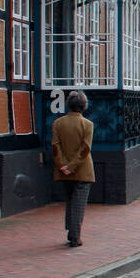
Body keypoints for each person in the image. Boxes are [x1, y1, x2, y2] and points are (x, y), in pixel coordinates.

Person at [52, 91, 94, 248]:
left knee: (70, 201)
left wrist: (63, 165)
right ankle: (75, 236)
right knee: (79, 204)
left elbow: (55, 146)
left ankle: (70, 230)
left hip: (62, 169)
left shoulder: (58, 123)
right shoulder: (87, 125)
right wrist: (72, 166)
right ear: (84, 106)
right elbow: (85, 149)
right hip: (82, 170)